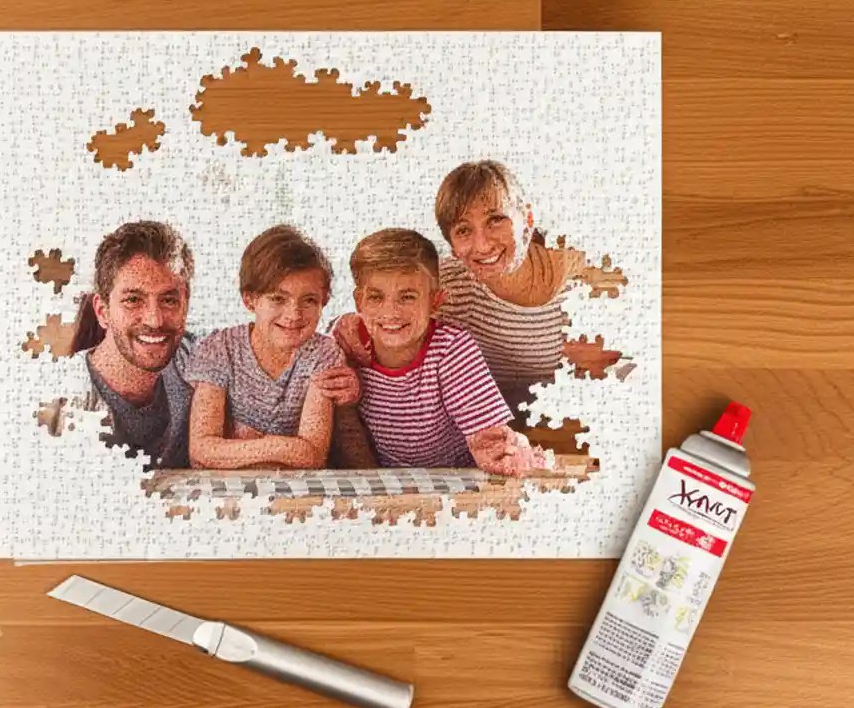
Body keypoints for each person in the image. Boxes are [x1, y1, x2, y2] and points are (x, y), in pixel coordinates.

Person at [336, 160, 588, 420]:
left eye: (496, 220)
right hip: (477, 430)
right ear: (452, 245)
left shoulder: (583, 277)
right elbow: (381, 303)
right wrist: (348, 325)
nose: (482, 245)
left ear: (528, 219)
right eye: (463, 230)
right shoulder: (449, 283)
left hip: (561, 431)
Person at [347, 228, 548, 475]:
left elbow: (487, 438)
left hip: (457, 479)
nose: (391, 312)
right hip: (388, 484)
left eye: (407, 297)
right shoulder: (348, 346)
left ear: (435, 301)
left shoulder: (452, 350)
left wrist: (498, 453)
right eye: (376, 298)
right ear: (359, 302)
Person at [184, 225, 355, 470]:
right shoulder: (219, 348)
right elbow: (201, 450)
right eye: (277, 298)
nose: (293, 314)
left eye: (309, 300)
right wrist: (285, 447)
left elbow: (312, 456)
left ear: (324, 301)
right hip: (224, 493)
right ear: (250, 300)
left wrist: (239, 446)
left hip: (296, 494)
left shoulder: (323, 354)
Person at [65, 220, 196, 469]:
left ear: (185, 304)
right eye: (133, 300)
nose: (154, 320)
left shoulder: (200, 362)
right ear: (102, 311)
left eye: (169, 300)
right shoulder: (59, 398)